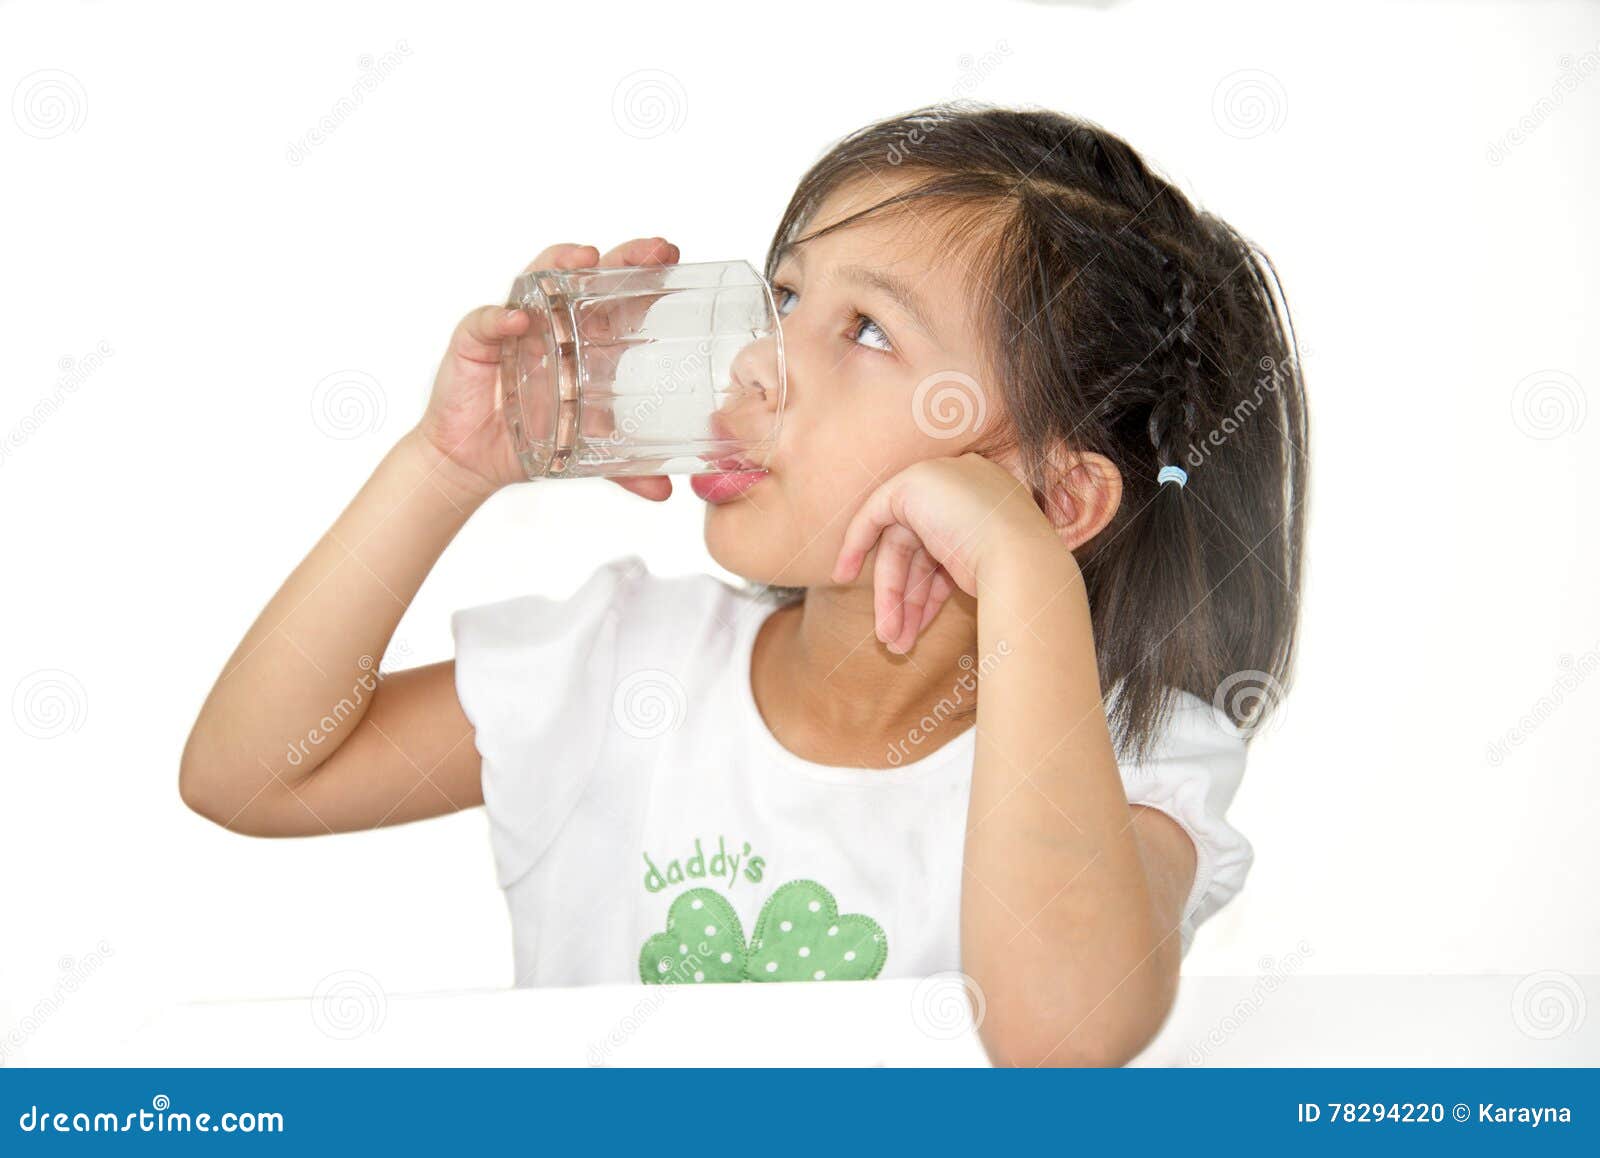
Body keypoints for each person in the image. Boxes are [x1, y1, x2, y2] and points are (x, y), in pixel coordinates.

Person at [180, 102, 1308, 1067]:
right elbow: (252, 777)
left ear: (1059, 500)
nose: (757, 361)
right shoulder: (623, 667)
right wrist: (443, 466)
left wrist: (1019, 574)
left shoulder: (1136, 771)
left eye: (865, 329)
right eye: (783, 298)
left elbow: (1060, 1034)